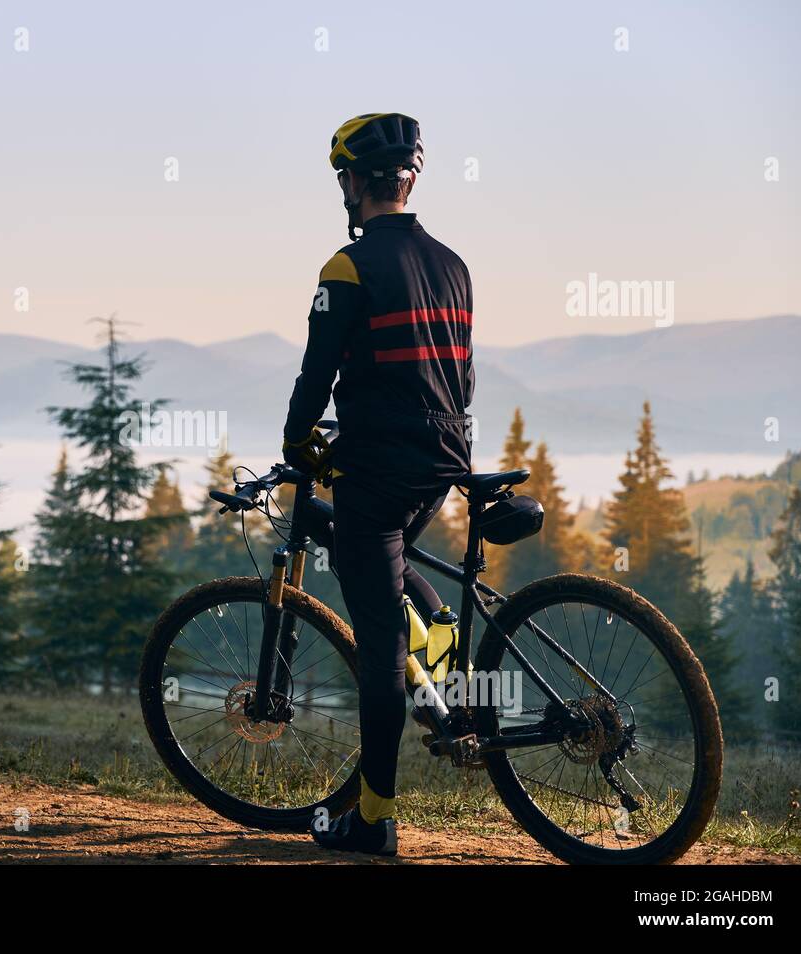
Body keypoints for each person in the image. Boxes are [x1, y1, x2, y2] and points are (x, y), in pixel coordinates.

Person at [281, 113, 474, 855]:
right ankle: (443, 638)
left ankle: (374, 820)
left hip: (378, 466)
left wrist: (300, 444)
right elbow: (460, 376)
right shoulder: (454, 264)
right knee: (380, 558)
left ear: (351, 183)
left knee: (379, 647)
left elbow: (316, 373)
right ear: (411, 179)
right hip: (441, 462)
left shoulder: (346, 266)